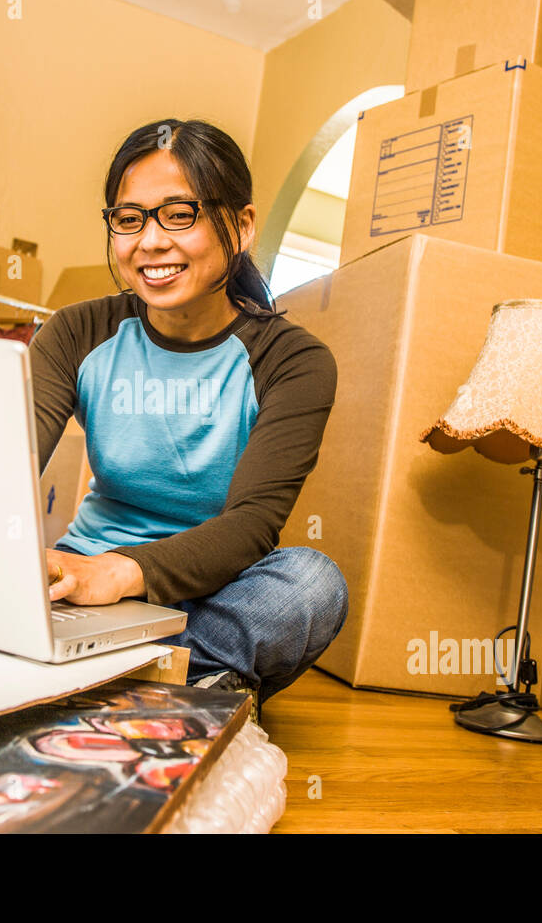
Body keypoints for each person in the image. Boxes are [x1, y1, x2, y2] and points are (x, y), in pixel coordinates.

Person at [29, 118, 347, 722]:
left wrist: (123, 573)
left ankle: (123, 683)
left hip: (211, 599)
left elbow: (251, 527)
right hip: (83, 588)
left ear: (242, 226)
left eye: (179, 214)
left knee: (312, 582)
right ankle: (174, 694)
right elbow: (6, 472)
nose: (149, 242)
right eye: (129, 218)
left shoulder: (294, 361)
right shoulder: (77, 332)